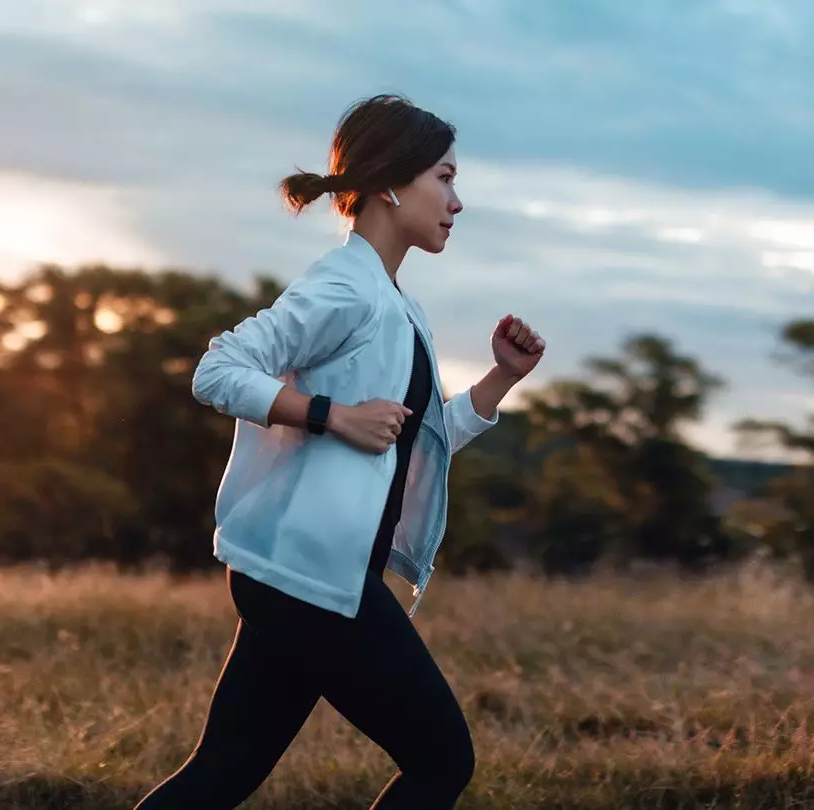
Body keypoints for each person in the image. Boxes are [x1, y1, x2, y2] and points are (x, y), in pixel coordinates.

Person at [133, 93, 546, 810]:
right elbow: (219, 371)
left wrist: (501, 380)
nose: (457, 200)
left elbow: (418, 436)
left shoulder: (393, 302)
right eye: (444, 178)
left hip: (301, 576)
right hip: (311, 580)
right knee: (441, 760)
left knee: (223, 771)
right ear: (391, 182)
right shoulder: (343, 287)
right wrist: (331, 416)